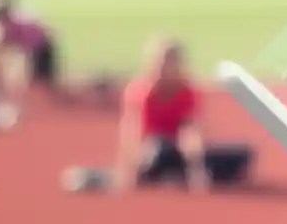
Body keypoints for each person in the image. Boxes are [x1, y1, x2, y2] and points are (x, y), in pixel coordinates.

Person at [61, 38, 255, 194]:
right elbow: (133, 133)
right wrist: (127, 168)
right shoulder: (141, 91)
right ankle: (100, 177)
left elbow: (191, 131)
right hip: (151, 151)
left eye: (169, 62)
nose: (163, 68)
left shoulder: (189, 91)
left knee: (242, 154)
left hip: (179, 150)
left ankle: (176, 175)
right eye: (160, 62)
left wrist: (197, 168)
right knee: (158, 150)